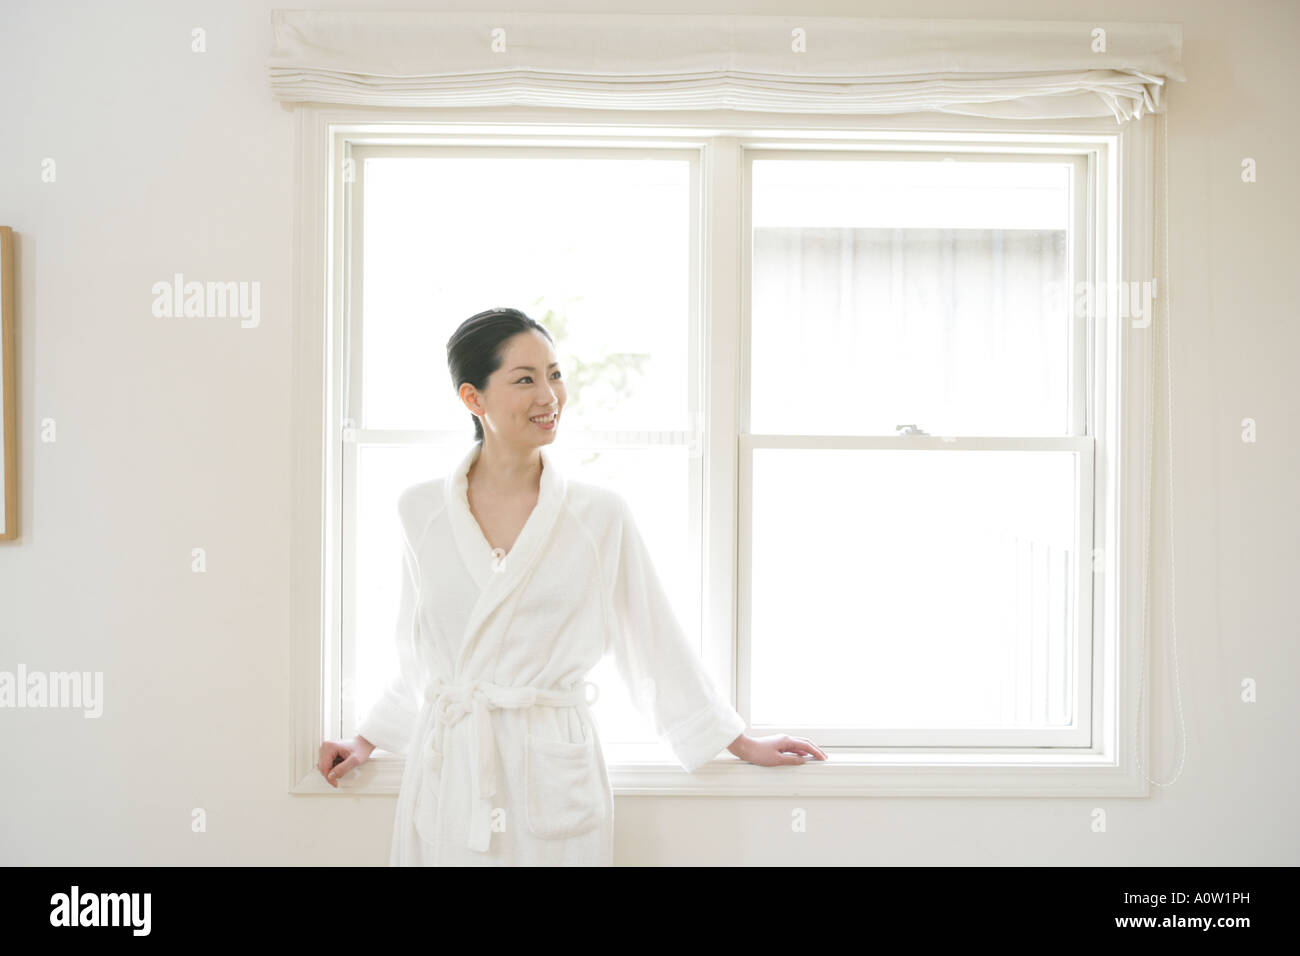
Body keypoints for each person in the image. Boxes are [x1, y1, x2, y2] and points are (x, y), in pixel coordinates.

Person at [318, 307, 826, 865]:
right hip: (453, 772)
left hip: (551, 773)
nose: (549, 396)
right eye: (525, 379)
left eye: (555, 374)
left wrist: (738, 741)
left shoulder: (598, 515)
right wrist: (366, 738)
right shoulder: (420, 511)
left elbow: (652, 638)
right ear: (472, 398)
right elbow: (419, 649)